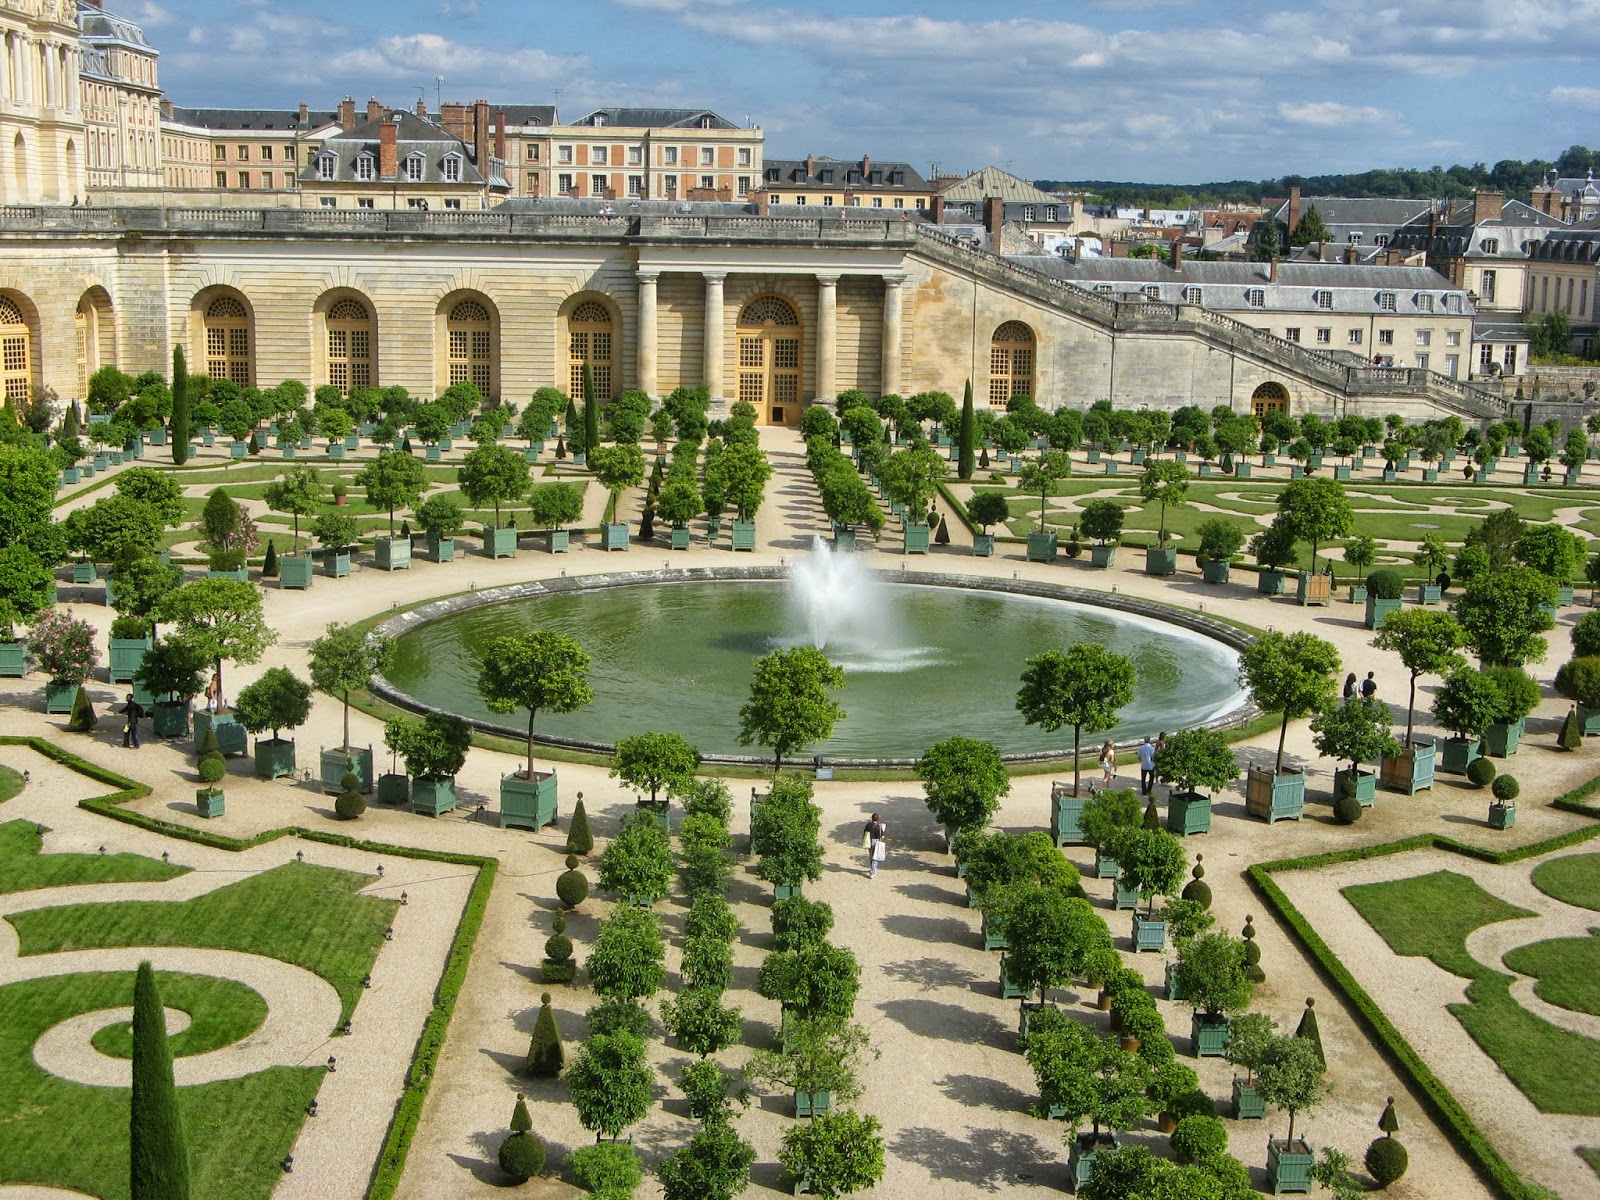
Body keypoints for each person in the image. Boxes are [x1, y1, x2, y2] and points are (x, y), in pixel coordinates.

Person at [863, 812, 887, 879]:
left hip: (869, 841)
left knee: (871, 855)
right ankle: (873, 871)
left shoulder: (868, 825)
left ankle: (872, 868)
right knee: (875, 856)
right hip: (876, 842)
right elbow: (882, 837)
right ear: (878, 819)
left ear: (872, 818)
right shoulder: (879, 826)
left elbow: (865, 832)